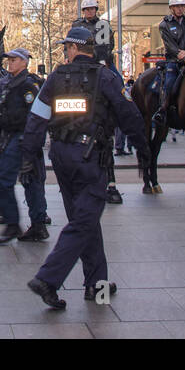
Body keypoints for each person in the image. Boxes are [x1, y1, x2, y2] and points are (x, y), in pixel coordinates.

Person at [22, 27, 149, 310]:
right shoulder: (106, 77)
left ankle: (97, 284)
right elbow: (129, 115)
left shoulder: (55, 77)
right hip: (90, 158)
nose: (65, 52)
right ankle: (48, 279)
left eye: (66, 47)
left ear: (74, 48)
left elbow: (36, 119)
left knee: (84, 219)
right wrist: (144, 150)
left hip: (61, 155)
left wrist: (28, 157)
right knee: (83, 221)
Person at [0, 48, 48, 243]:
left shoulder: (29, 85)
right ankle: (27, 223)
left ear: (24, 62)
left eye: (14, 60)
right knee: (23, 179)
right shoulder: (5, 82)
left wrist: (31, 141)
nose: (10, 63)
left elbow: (36, 114)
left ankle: (25, 223)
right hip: (9, 135)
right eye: (9, 59)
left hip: (24, 137)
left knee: (19, 178)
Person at [72, 0, 114, 67]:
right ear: (83, 11)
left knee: (116, 76)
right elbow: (70, 43)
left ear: (95, 10)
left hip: (101, 59)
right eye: (87, 9)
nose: (90, 11)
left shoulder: (104, 25)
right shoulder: (77, 25)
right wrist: (67, 57)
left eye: (92, 9)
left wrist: (105, 58)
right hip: (80, 59)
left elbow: (109, 44)